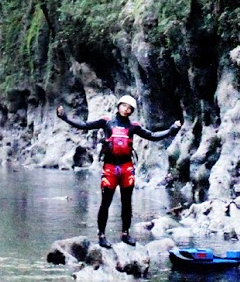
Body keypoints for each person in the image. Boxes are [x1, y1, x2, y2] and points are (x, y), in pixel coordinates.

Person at [56, 95, 181, 247]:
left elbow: (152, 136)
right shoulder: (106, 122)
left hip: (126, 168)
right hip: (109, 168)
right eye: (124, 106)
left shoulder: (133, 126)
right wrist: (65, 118)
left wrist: (171, 130)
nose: (126, 109)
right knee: (105, 203)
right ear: (118, 105)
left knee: (126, 203)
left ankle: (125, 234)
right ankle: (101, 235)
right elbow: (84, 125)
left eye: (129, 108)